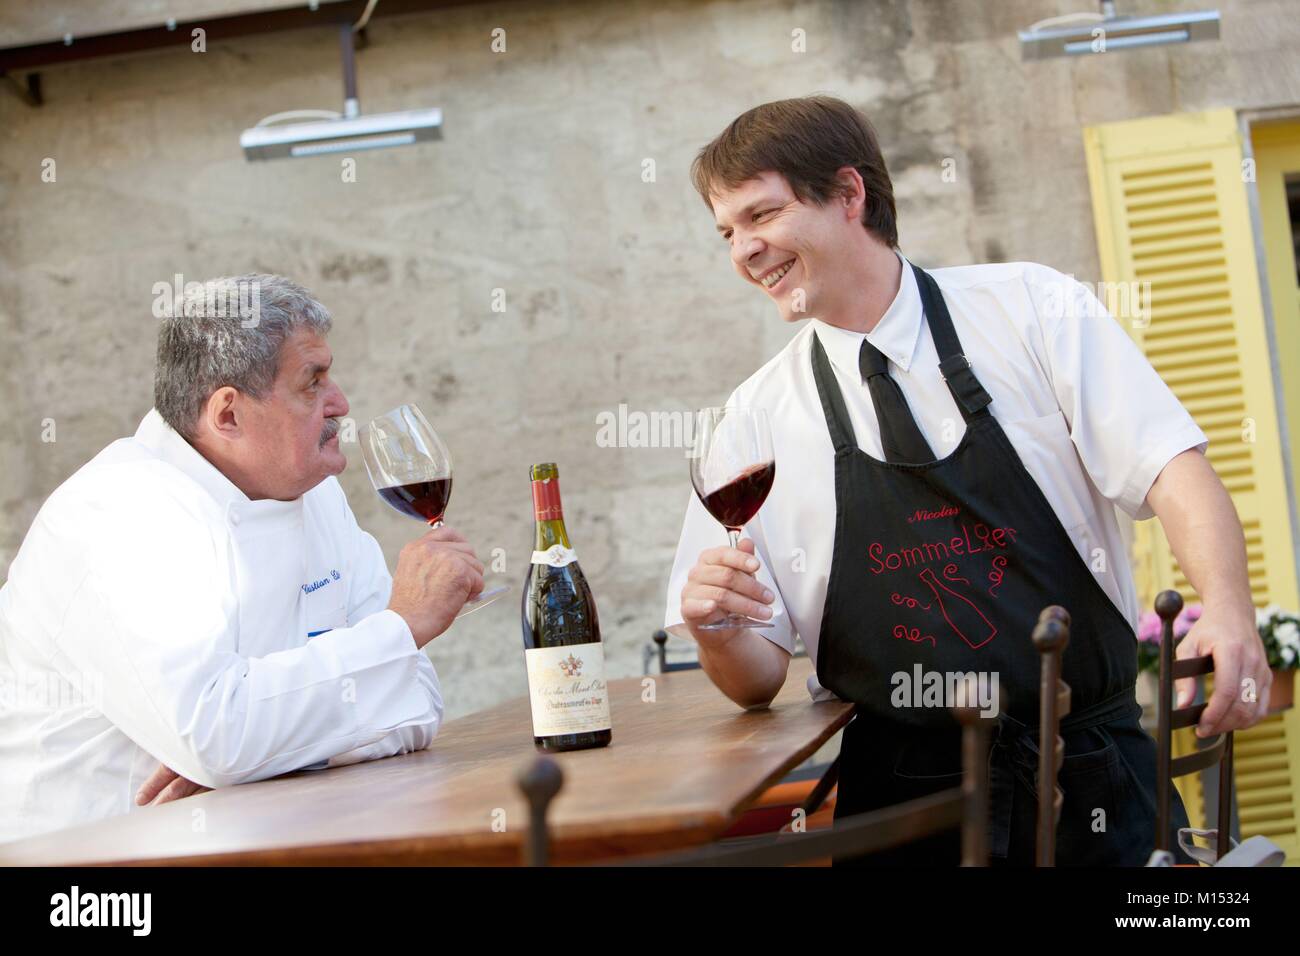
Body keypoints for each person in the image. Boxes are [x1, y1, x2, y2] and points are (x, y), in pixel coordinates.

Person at [663, 96, 1270, 865]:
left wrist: (1228, 605)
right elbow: (755, 680)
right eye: (727, 232)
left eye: (762, 216)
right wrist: (717, 630)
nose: (743, 250)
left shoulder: (1031, 309)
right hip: (907, 814)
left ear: (849, 195)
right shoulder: (750, 422)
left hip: (1093, 778)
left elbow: (1172, 467)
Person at [0, 274, 484, 843]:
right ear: (227, 414)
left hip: (250, 841)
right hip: (96, 866)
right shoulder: (119, 513)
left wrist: (260, 754)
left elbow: (419, 702)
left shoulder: (315, 494)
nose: (341, 403)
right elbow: (220, 734)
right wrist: (403, 627)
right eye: (314, 381)